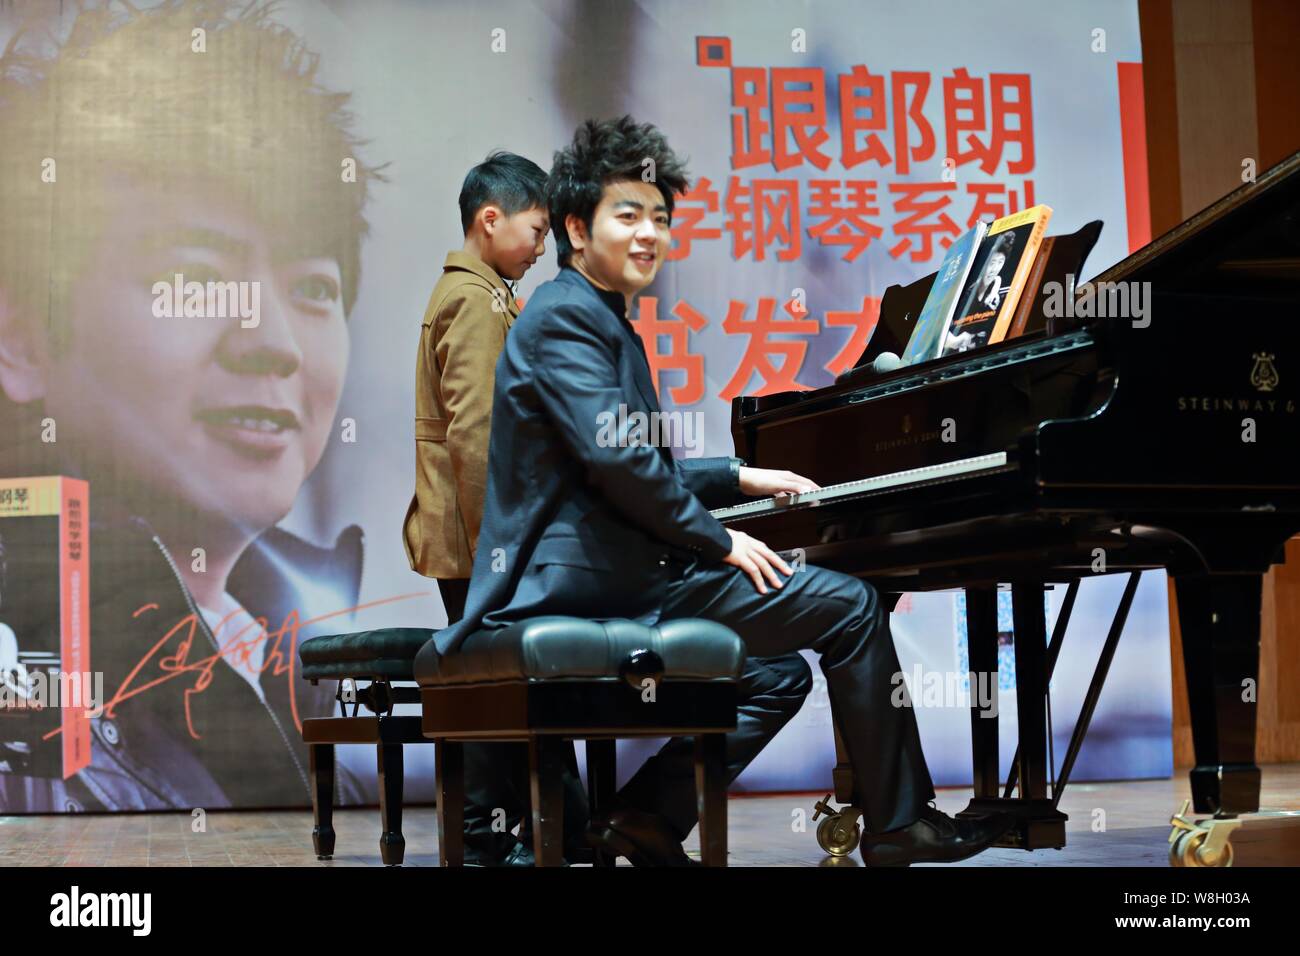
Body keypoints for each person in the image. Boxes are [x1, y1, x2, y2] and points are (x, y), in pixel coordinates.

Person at [418, 115, 1011, 866]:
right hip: (598, 586)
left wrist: (736, 475)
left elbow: (628, 461)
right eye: (626, 215)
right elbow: (622, 467)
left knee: (774, 674)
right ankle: (900, 827)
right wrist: (723, 538)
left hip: (617, 575)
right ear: (575, 226)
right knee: (854, 608)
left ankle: (641, 817)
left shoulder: (592, 315)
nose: (648, 235)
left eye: (660, 219)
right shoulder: (566, 319)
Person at [0, 0, 382, 810]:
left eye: (314, 288)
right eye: (198, 280)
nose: (273, 341)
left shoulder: (305, 665)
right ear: (22, 342)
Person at [403, 150, 576, 865]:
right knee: (493, 691)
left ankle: (514, 836)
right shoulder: (473, 302)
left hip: (479, 540)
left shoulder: (481, 293)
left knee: (494, 687)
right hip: (481, 541)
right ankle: (482, 840)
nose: (541, 249)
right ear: (490, 218)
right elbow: (477, 438)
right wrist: (502, 551)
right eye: (536, 231)